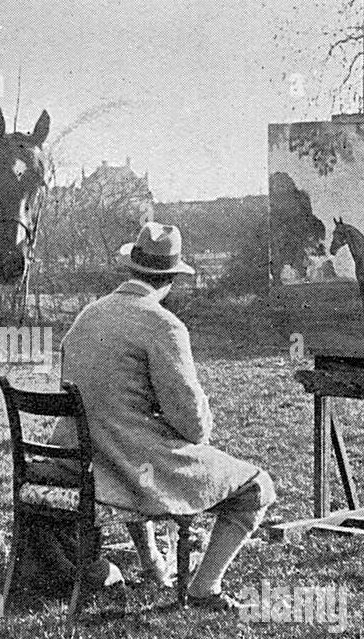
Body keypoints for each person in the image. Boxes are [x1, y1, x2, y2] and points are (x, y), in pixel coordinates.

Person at [51, 222, 276, 608]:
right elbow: (193, 425)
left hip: (74, 461)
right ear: (171, 278)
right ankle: (204, 588)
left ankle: (152, 561)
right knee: (257, 487)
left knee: (135, 443)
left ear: (131, 269)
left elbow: (92, 395)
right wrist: (196, 413)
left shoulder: (88, 315)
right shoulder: (164, 325)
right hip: (123, 469)